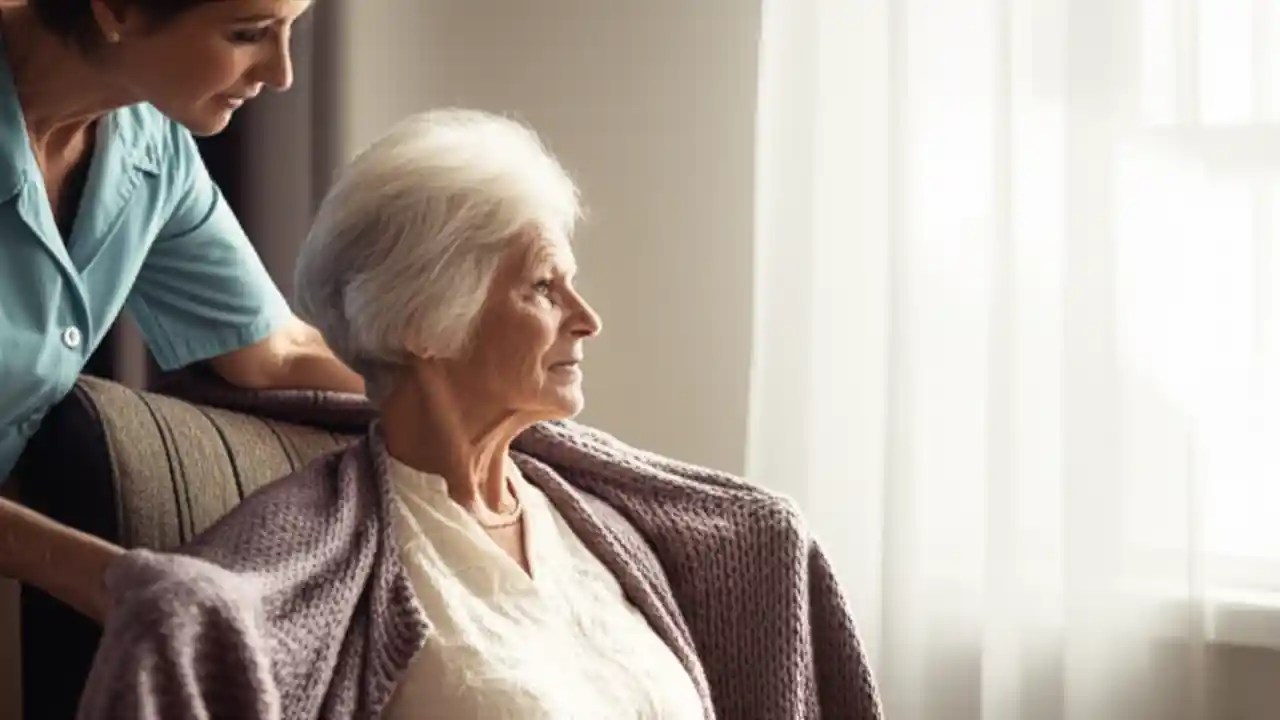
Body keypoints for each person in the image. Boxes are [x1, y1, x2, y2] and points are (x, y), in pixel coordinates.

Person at [77, 110, 882, 720]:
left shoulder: (605, 528)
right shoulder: (331, 550)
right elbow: (196, 623)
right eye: (542, 287)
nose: (586, 317)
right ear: (427, 322)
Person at [0, 0, 362, 623]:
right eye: (249, 34)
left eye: (291, 31)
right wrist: (107, 578)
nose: (281, 74)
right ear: (117, 9)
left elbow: (273, 353)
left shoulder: (150, 143)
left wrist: (463, 401)